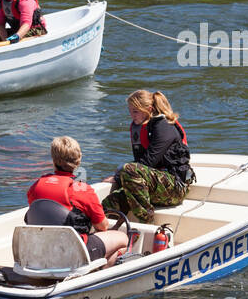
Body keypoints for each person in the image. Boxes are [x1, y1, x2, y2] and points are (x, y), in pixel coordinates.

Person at [26, 137, 130, 266]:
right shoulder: (82, 190)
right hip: (73, 254)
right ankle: (98, 274)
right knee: (123, 238)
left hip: (42, 250)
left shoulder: (36, 187)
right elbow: (102, 226)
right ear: (78, 161)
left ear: (53, 160)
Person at [102, 90, 196, 224]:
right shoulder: (141, 127)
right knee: (107, 206)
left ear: (149, 109)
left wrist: (118, 176)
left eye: (135, 111)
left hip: (175, 187)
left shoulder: (163, 127)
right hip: (155, 185)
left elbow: (148, 162)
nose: (131, 115)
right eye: (130, 111)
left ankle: (147, 222)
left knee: (128, 169)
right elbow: (141, 165)